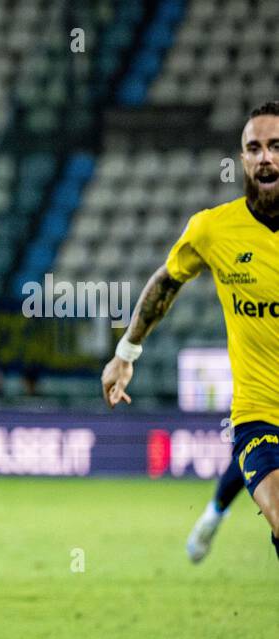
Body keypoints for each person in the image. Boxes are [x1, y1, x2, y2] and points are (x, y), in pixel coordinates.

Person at [103, 101, 279, 567]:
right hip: (260, 414)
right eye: (255, 148)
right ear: (242, 159)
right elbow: (166, 281)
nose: (266, 158)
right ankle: (214, 513)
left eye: (277, 147)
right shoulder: (214, 230)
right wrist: (126, 352)